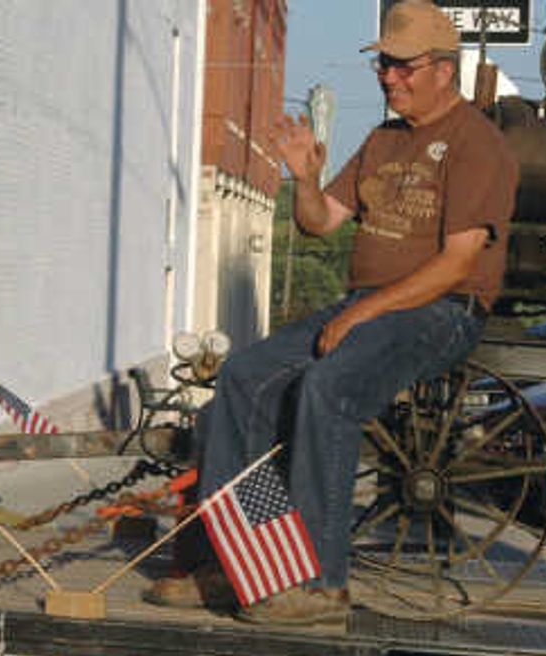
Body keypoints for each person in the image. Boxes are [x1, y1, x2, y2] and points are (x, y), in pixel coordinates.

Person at [144, 0, 519, 624]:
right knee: (244, 377)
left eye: (401, 67)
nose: (388, 77)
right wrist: (305, 179)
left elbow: (457, 265)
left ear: (443, 69)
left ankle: (320, 583)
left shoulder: (477, 143)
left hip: (441, 311)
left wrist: (360, 315)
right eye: (383, 66)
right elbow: (320, 223)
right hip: (368, 306)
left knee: (329, 387)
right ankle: (242, 564)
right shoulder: (382, 139)